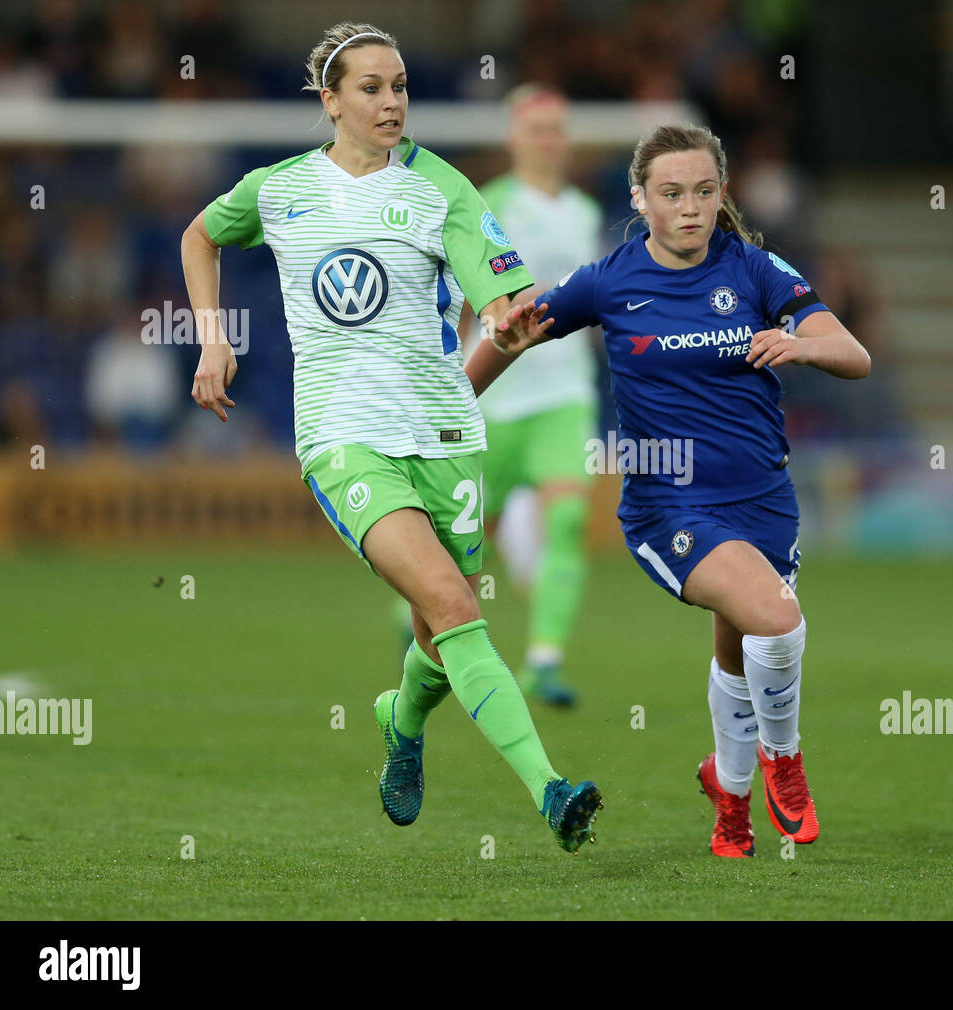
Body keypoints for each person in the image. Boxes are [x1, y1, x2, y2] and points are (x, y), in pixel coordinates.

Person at [180, 22, 601, 852]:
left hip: (446, 433)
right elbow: (201, 235)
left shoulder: (442, 188)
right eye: (370, 88)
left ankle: (400, 724)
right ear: (329, 100)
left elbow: (499, 301)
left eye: (400, 85)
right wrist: (212, 335)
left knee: (437, 638)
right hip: (344, 437)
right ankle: (550, 790)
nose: (391, 101)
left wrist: (507, 328)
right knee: (452, 606)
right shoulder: (277, 189)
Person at [473, 124, 871, 857]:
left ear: (722, 193)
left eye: (702, 191)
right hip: (670, 508)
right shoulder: (608, 281)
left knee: (740, 648)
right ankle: (785, 761)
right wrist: (460, 399)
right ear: (640, 198)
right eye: (670, 193)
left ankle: (731, 802)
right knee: (777, 624)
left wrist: (803, 344)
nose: (688, 208)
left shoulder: (755, 270)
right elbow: (513, 333)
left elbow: (854, 354)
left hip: (763, 500)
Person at [398, 83, 602, 707]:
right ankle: (417, 626)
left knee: (567, 519)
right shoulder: (485, 205)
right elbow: (458, 295)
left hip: (564, 396)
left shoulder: (586, 213)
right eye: (537, 129)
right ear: (515, 138)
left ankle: (544, 660)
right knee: (458, 542)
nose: (549, 140)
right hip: (492, 396)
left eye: (558, 129)